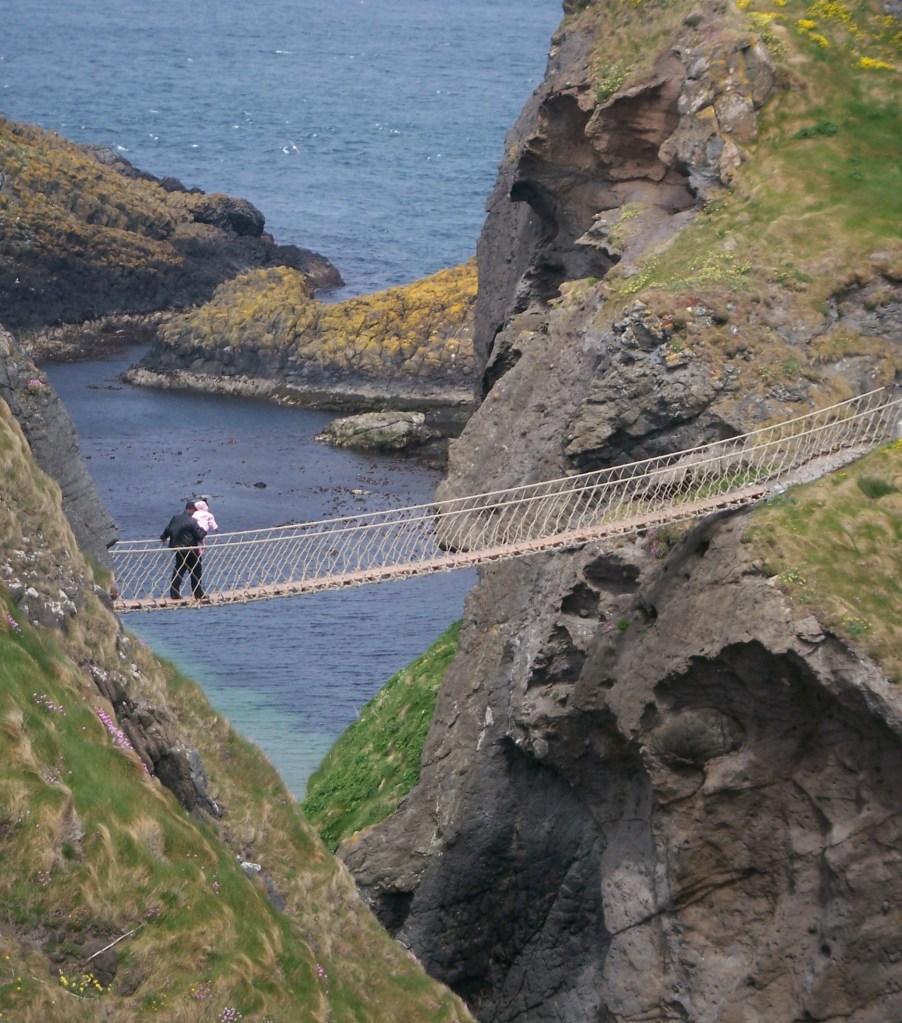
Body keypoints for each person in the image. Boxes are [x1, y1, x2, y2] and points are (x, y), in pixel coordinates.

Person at [160, 501, 207, 600]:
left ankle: (174, 593)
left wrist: (163, 537)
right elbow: (199, 535)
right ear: (193, 510)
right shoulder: (192, 521)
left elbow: (167, 530)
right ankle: (198, 593)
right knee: (196, 571)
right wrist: (204, 530)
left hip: (179, 549)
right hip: (191, 549)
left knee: (179, 570)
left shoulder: (175, 518)